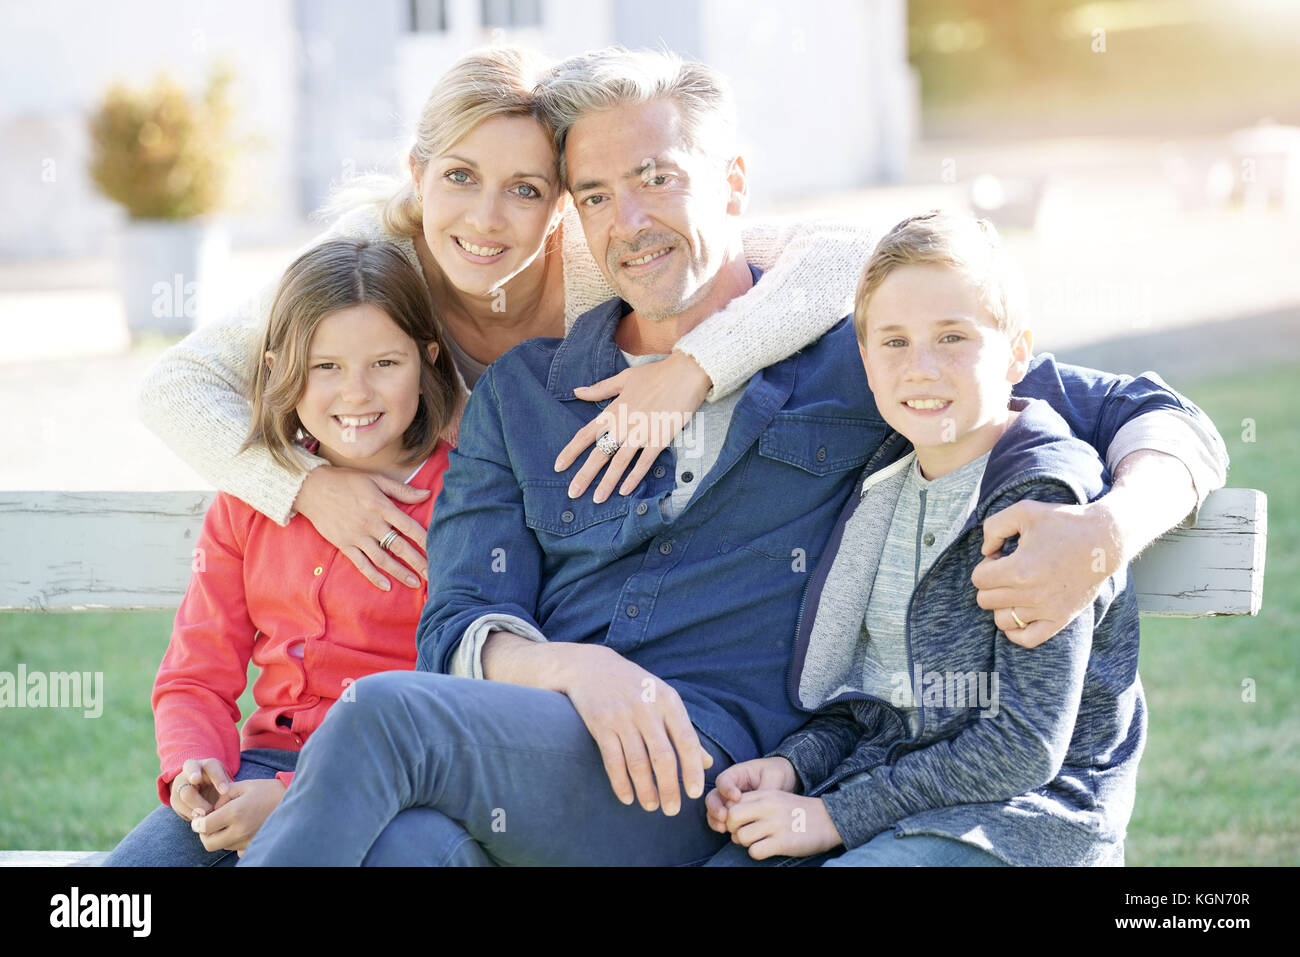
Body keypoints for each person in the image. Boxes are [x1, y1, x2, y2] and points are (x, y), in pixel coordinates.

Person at [237, 48, 1227, 867]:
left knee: (382, 718)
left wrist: (1104, 534)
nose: (628, 223)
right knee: (412, 849)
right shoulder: (525, 395)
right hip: (544, 759)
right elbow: (455, 622)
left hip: (714, 774)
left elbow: (1153, 414)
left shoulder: (865, 353)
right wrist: (573, 670)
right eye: (595, 196)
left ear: (735, 184)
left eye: (655, 179)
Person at [136, 46, 879, 594]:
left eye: (524, 190)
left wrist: (695, 367)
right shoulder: (373, 255)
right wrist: (306, 485)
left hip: (575, 570)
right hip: (434, 574)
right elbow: (177, 384)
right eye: (460, 176)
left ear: (561, 203)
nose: (484, 220)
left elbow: (846, 255)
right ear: (417, 174)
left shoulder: (604, 247)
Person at [706, 211, 1144, 867]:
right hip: (901, 810)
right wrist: (793, 769)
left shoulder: (1042, 500)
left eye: (952, 337)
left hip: (1022, 824)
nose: (920, 367)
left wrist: (831, 814)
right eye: (894, 341)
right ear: (865, 357)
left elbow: (1024, 743)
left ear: (1016, 351)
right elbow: (882, 709)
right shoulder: (885, 488)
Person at [104, 239, 459, 865]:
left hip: (400, 790)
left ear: (428, 359)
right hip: (256, 771)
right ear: (278, 369)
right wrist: (196, 770)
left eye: (384, 363)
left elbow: (454, 705)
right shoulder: (250, 499)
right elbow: (197, 672)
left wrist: (296, 798)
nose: (355, 394)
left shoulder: (460, 499)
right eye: (325, 367)